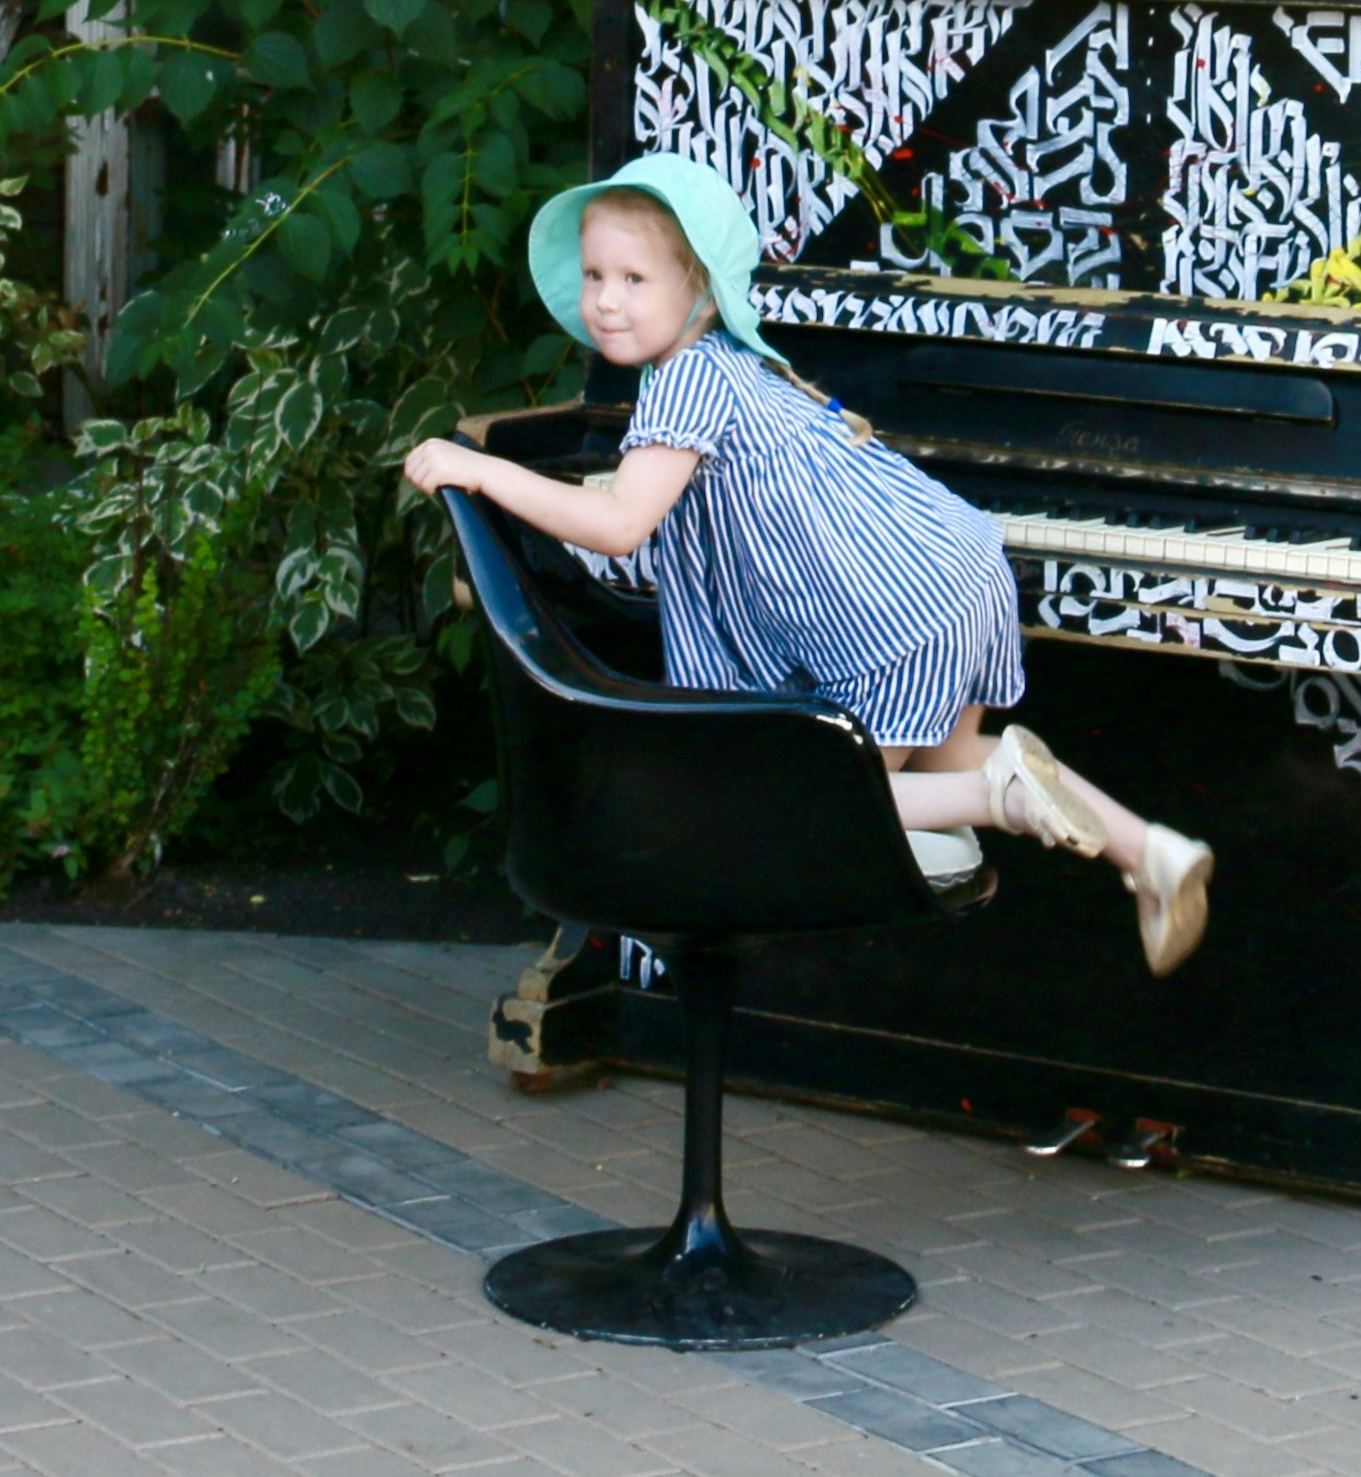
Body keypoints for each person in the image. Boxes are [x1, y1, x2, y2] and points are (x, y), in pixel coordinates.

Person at [402, 153, 1215, 975]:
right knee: (951, 754)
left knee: (797, 804)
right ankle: (1151, 853)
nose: (608, 300)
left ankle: (998, 798)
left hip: (893, 620)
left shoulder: (685, 381)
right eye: (595, 274)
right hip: (953, 575)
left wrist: (488, 472)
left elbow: (620, 525)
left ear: (703, 290)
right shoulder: (740, 367)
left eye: (637, 278)